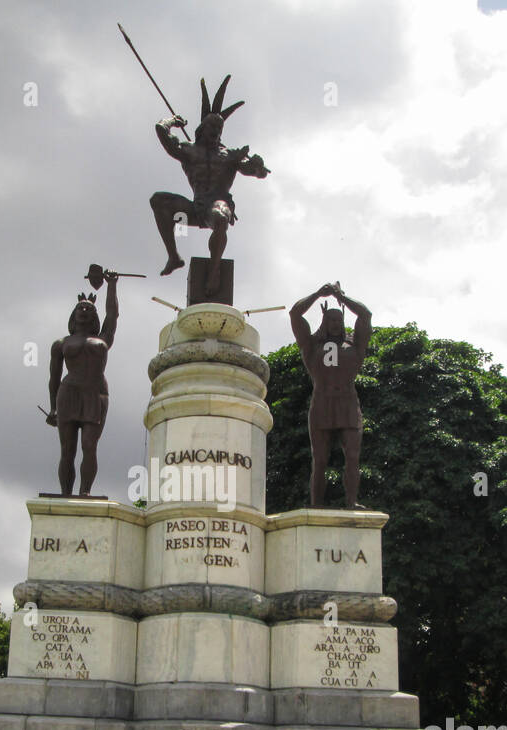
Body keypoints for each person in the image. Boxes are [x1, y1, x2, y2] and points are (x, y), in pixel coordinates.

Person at [149, 75, 269, 295]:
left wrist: (258, 166)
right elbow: (160, 129)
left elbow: (254, 171)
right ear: (202, 128)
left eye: (219, 128)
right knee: (158, 200)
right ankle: (174, 257)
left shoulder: (230, 155)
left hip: (218, 204)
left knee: (221, 215)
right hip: (196, 208)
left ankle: (214, 272)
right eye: (212, 126)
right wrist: (173, 121)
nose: (216, 131)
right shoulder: (189, 151)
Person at [289, 282, 372, 508]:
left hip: (348, 404)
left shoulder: (354, 345)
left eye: (339, 320)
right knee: (321, 460)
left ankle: (352, 502)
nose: (335, 324)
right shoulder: (311, 346)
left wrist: (342, 298)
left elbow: (365, 314)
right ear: (324, 321)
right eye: (331, 320)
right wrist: (318, 294)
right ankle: (317, 505)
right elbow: (295, 313)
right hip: (322, 404)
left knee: (353, 457)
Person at [47, 272, 118, 495]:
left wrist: (112, 286)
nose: (85, 311)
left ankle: (85, 492)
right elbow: (54, 378)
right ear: (74, 315)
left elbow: (113, 314)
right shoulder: (61, 343)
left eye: (90, 309)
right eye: (81, 308)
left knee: (89, 445)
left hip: (95, 394)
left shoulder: (104, 338)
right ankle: (65, 494)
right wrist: (53, 408)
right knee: (67, 449)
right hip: (68, 393)